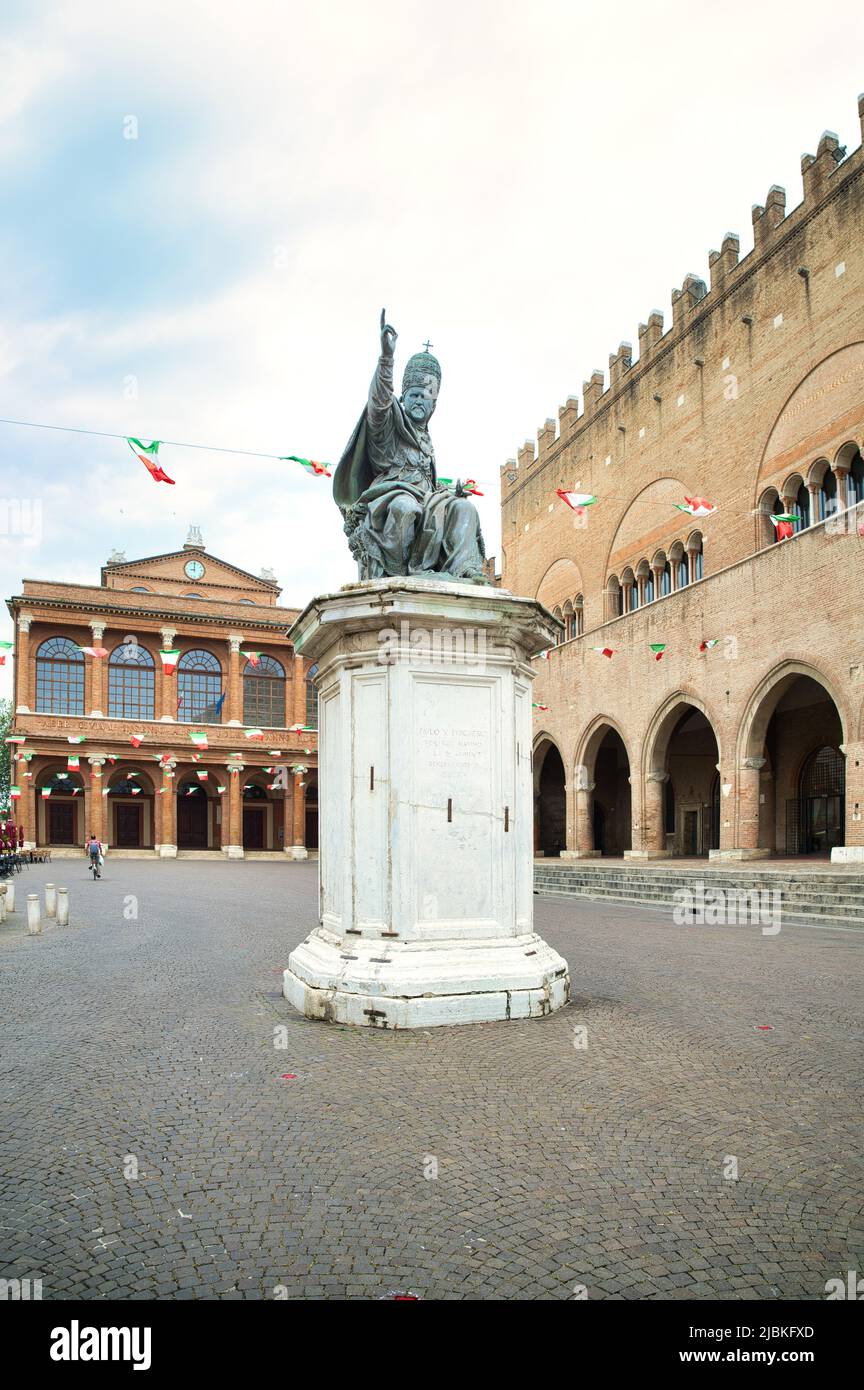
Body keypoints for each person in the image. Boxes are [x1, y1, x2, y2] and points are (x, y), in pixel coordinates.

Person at [333, 309, 489, 582]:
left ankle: (466, 571)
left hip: (428, 499)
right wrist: (386, 359)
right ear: (403, 398)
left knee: (465, 509)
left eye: (425, 396)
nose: (418, 401)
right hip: (389, 495)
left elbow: (428, 482)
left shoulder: (427, 439)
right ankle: (397, 577)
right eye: (413, 395)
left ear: (434, 404)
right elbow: (378, 404)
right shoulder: (390, 424)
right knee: (406, 508)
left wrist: (451, 492)